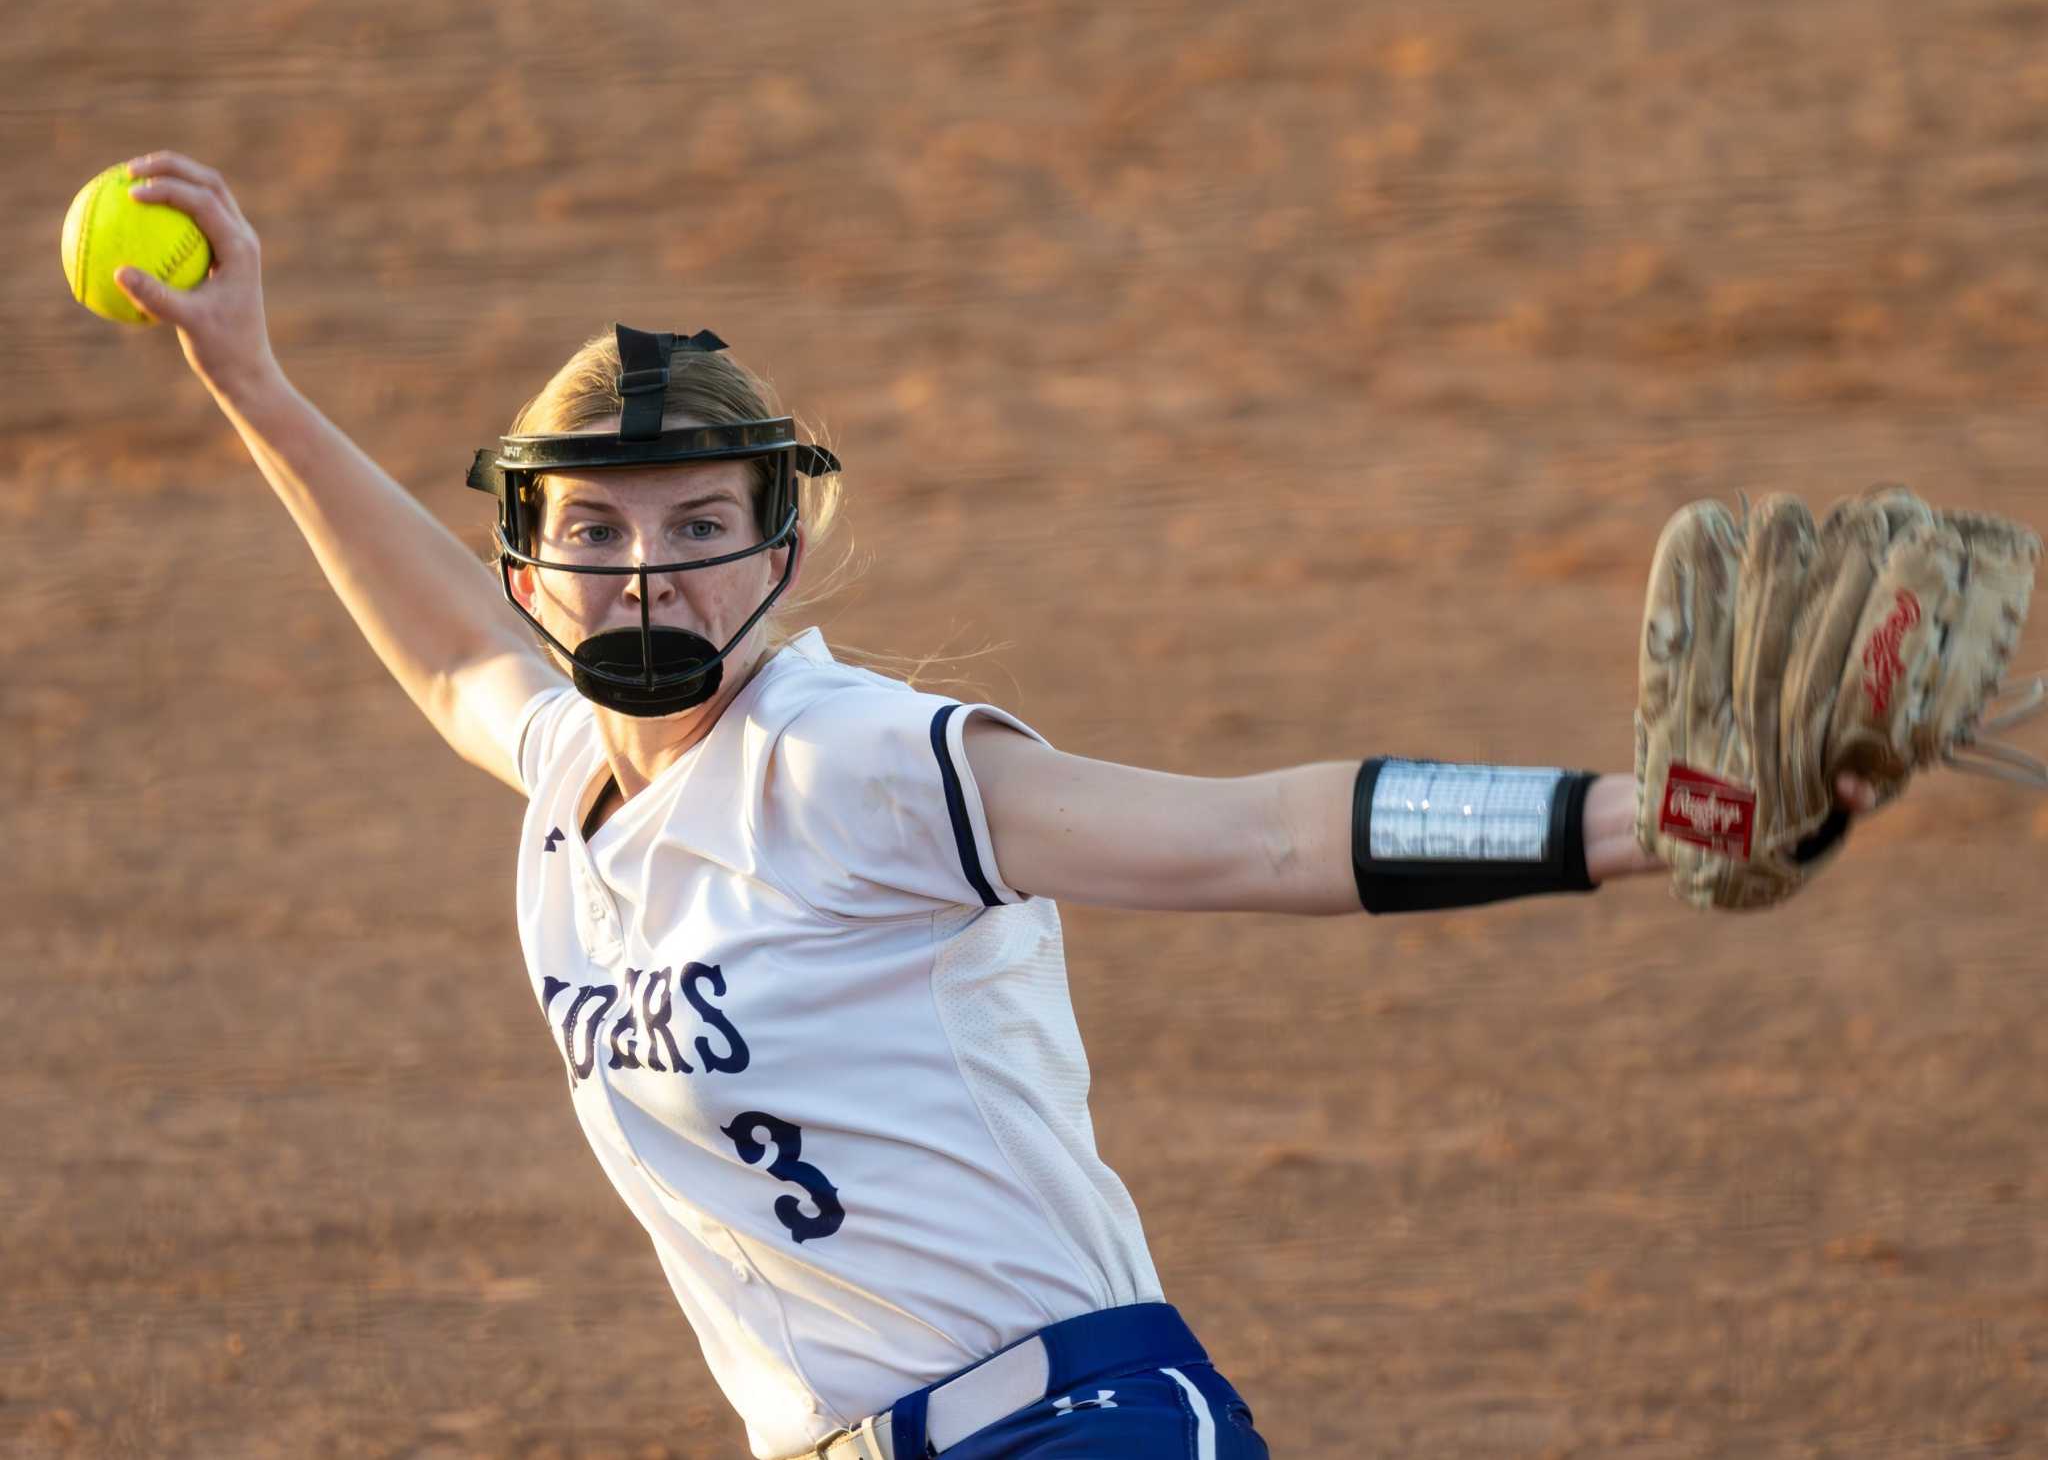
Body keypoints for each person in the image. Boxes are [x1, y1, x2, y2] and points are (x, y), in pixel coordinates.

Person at [114, 151, 1880, 1460]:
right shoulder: (572, 786)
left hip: (1079, 1426)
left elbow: (1249, 837)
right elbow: (441, 664)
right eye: (593, 530)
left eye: (697, 524)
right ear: (530, 564)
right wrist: (253, 381)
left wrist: (1631, 822)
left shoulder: (855, 762)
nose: (645, 572)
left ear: (778, 547)